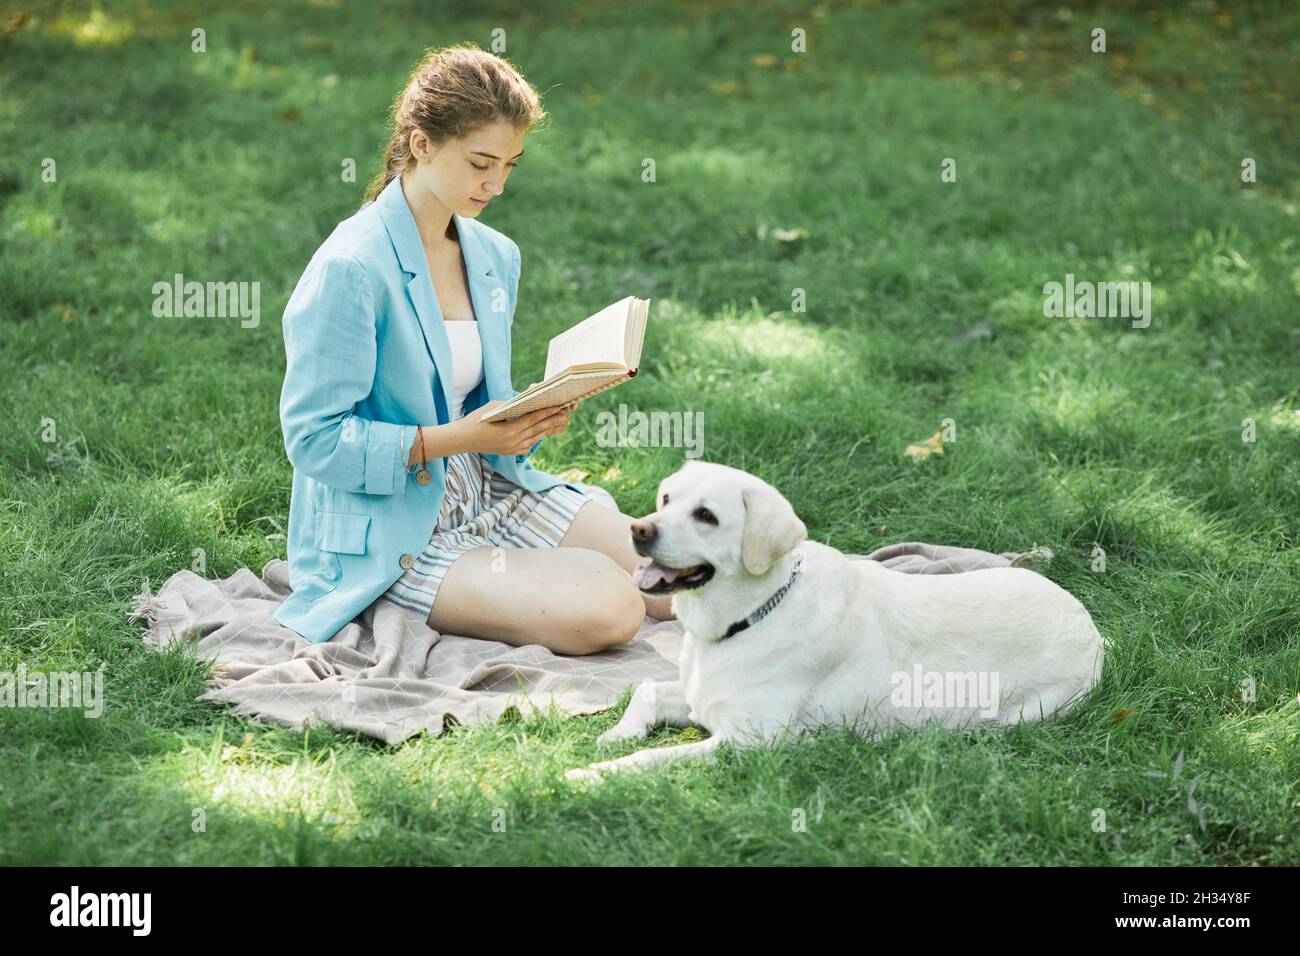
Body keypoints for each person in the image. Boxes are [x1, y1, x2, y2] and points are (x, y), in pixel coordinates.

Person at [272, 42, 674, 654]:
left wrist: (534, 415)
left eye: (511, 164)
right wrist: (465, 439)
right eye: (482, 163)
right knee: (613, 608)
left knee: (678, 585)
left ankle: (522, 575)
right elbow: (314, 440)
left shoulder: (492, 255)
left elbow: (476, 400)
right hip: (397, 522)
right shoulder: (351, 269)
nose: (498, 185)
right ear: (421, 144)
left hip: (489, 483)